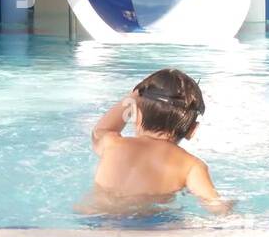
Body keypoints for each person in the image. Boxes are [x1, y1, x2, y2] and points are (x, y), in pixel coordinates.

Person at [81, 69, 233, 216]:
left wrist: (132, 98)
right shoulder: (191, 166)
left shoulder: (112, 144)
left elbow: (100, 130)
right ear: (192, 130)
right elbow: (216, 206)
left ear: (136, 116)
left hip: (96, 221)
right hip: (149, 229)